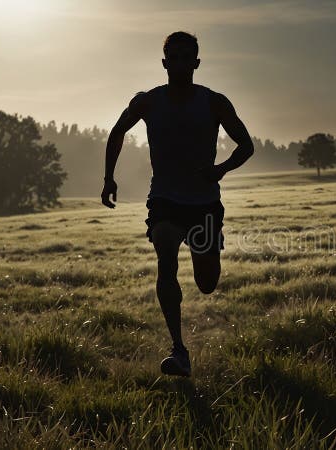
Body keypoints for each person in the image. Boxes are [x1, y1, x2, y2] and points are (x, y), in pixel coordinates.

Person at [100, 31, 254, 377]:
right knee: (165, 256)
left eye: (188, 57)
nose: (181, 63)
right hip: (165, 200)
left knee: (207, 281)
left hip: (204, 204)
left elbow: (246, 145)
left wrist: (220, 170)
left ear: (197, 63)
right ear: (165, 62)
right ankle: (179, 350)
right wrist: (109, 178)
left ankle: (203, 273)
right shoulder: (148, 101)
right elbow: (117, 131)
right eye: (175, 57)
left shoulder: (214, 102)